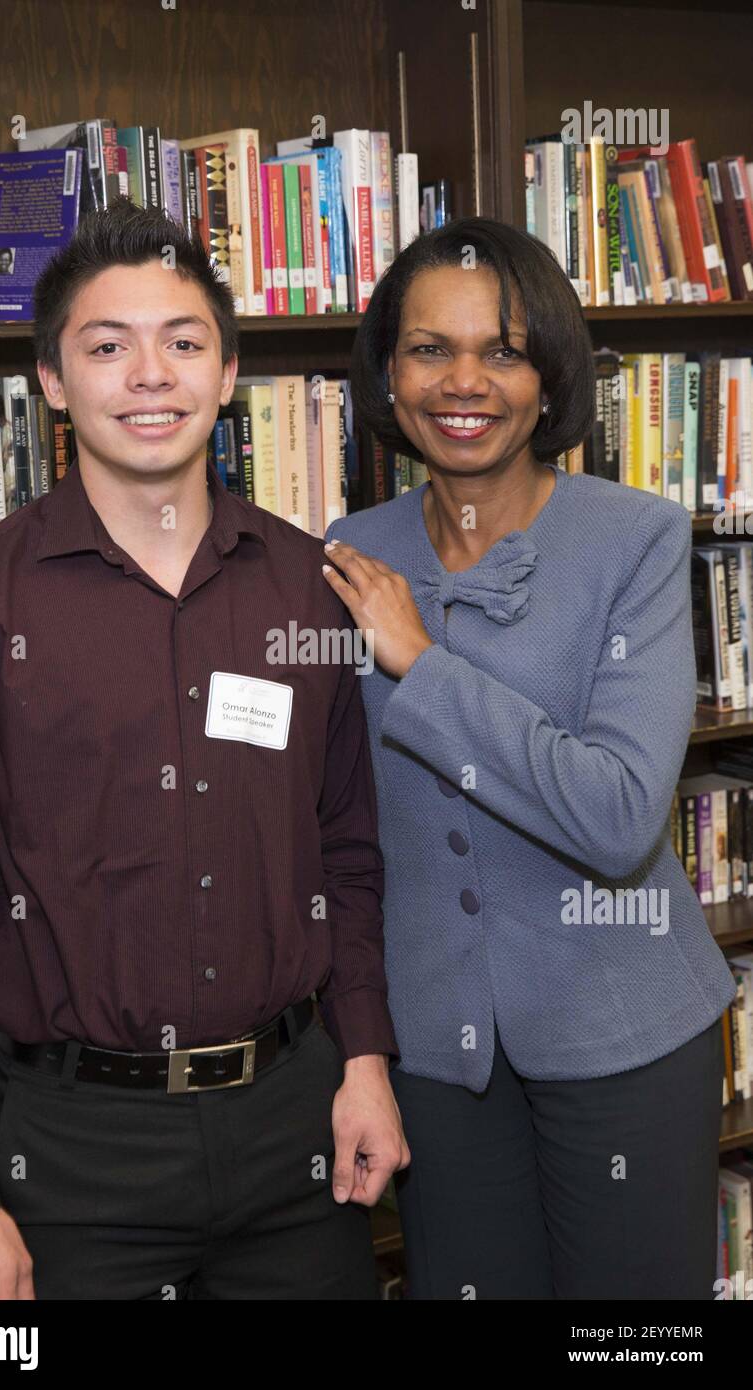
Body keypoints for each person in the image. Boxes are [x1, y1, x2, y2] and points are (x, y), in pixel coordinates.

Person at [0, 196, 409, 1301]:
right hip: (68, 1155)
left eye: (182, 342)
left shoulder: (307, 582)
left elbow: (347, 855)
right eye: (107, 346)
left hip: (296, 1129)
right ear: (50, 382)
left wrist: (363, 1058)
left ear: (226, 378)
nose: (150, 375)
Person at [322, 216, 738, 1300]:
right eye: (428, 349)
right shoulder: (346, 549)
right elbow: (331, 814)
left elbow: (613, 814)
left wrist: (418, 662)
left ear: (547, 374)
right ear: (386, 373)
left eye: (501, 349)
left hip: (621, 1034)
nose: (464, 381)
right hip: (434, 1050)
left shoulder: (634, 540)